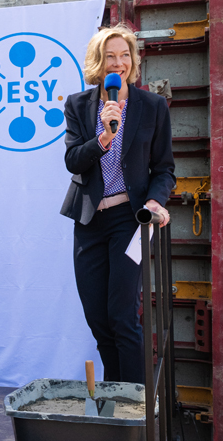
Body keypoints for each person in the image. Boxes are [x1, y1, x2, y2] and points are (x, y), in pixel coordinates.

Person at [60, 23, 176, 385]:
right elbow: (74, 161)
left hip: (132, 221)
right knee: (98, 317)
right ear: (99, 62)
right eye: (110, 56)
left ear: (133, 61)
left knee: (123, 316)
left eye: (124, 55)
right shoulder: (79, 105)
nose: (118, 62)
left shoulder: (152, 107)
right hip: (90, 220)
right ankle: (116, 394)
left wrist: (156, 201)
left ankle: (136, 409)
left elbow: (165, 168)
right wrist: (104, 137)